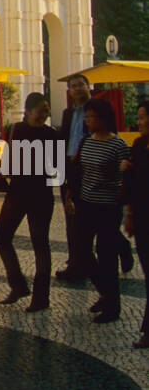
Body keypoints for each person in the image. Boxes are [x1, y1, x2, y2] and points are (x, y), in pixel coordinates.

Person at [0, 92, 56, 313]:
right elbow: (6, 158)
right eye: (40, 110)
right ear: (28, 110)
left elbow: (57, 167)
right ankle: (18, 285)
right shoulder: (17, 129)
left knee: (40, 244)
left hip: (41, 194)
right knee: (2, 236)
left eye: (46, 110)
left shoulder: (52, 134)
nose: (44, 114)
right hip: (18, 192)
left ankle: (41, 297)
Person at [56, 74, 133, 281]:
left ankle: (121, 248)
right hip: (72, 169)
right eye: (73, 86)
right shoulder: (67, 113)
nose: (77, 89)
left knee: (98, 222)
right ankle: (75, 264)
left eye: (81, 85)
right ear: (69, 91)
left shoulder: (98, 108)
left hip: (96, 171)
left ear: (88, 86)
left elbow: (112, 136)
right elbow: (64, 139)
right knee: (74, 221)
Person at [67, 97, 130, 324]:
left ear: (103, 119)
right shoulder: (85, 142)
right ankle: (105, 291)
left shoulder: (118, 145)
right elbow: (77, 169)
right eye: (87, 117)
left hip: (108, 207)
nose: (88, 121)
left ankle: (112, 306)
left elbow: (126, 178)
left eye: (92, 117)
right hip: (86, 204)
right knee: (82, 252)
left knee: (107, 256)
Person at [120, 100, 149, 348]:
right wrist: (129, 214)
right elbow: (131, 182)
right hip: (142, 216)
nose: (138, 122)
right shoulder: (139, 145)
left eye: (142, 117)